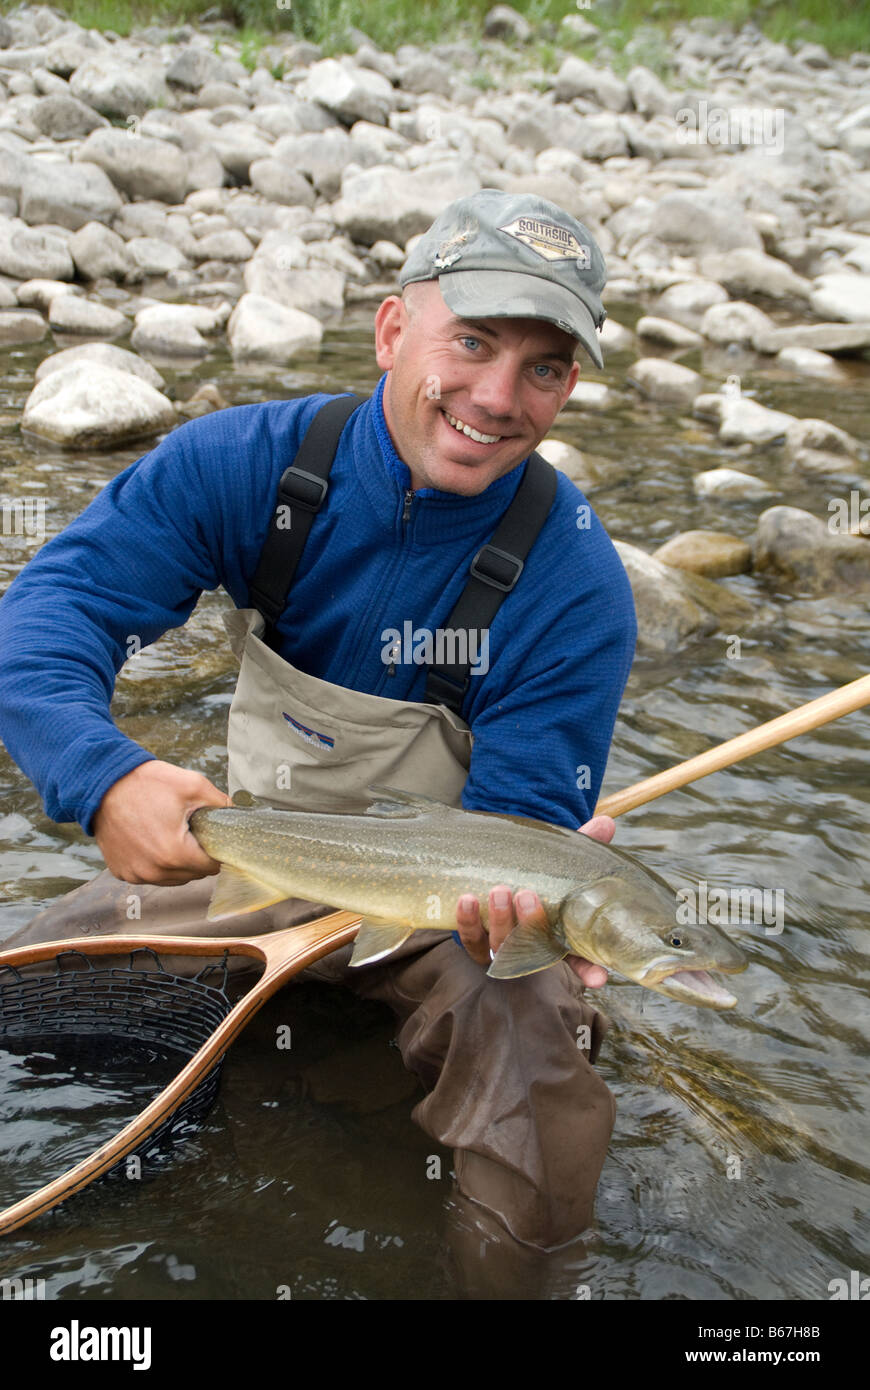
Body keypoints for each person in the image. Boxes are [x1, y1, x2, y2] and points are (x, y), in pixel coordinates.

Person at [0, 188, 636, 1251]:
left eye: (545, 368)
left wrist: (541, 904)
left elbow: (518, 815)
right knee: (31, 991)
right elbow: (50, 615)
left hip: (440, 919)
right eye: (471, 342)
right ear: (393, 329)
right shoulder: (249, 465)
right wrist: (102, 773)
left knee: (531, 1044)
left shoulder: (576, 585)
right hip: (254, 856)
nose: (495, 396)